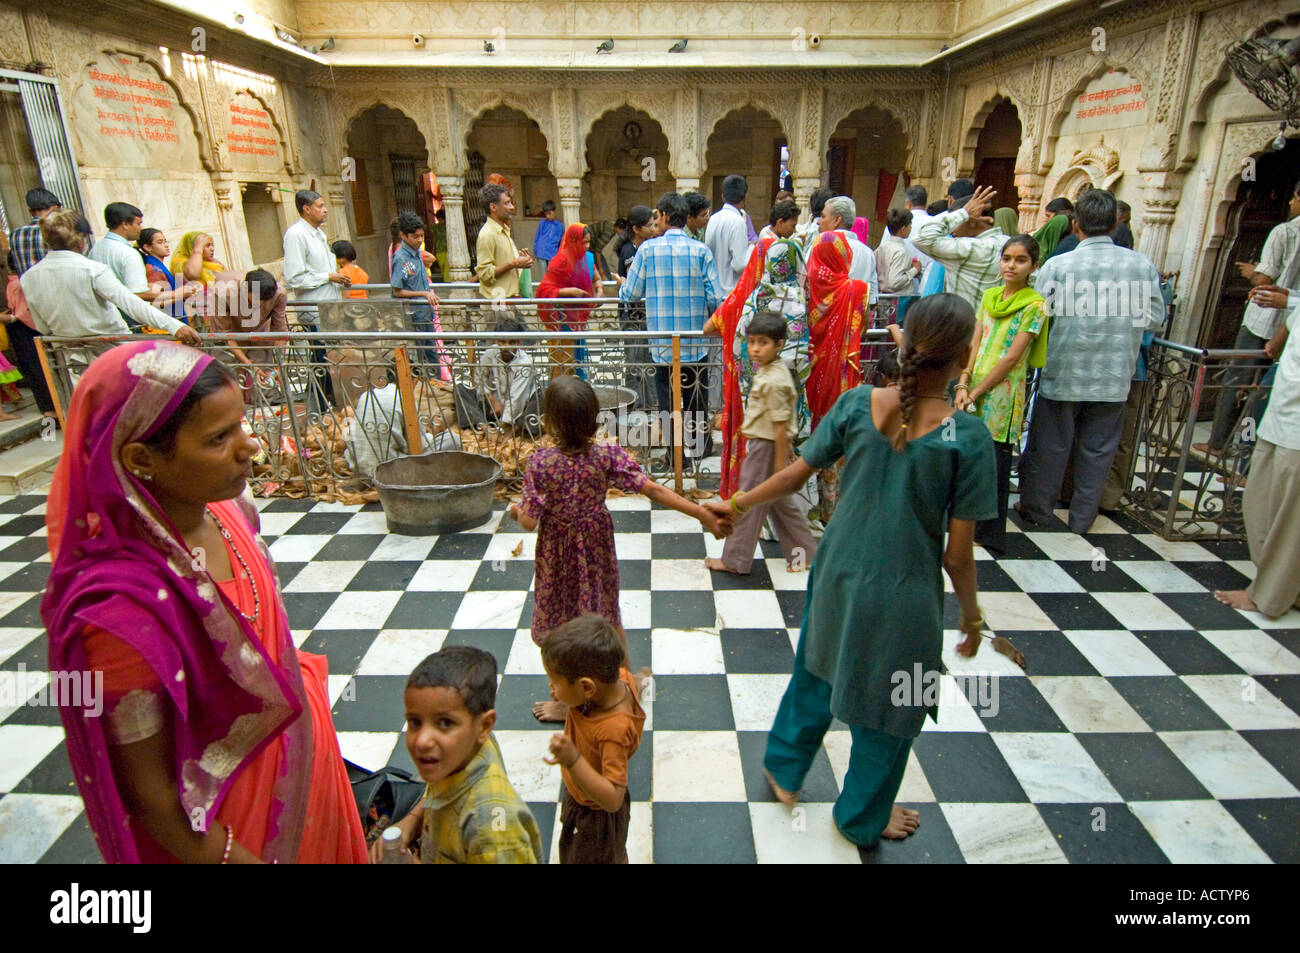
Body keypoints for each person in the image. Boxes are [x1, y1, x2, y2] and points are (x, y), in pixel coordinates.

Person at [41, 341, 367, 863]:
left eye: (241, 424)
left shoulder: (229, 510)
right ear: (140, 459)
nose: (251, 447)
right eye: (219, 438)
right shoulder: (121, 616)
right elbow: (156, 803)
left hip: (304, 771)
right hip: (233, 836)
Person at [702, 294, 995, 849]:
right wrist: (973, 618)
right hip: (903, 594)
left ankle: (785, 769)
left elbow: (793, 475)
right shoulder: (970, 439)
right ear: (964, 354)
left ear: (903, 342)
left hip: (836, 571)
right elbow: (958, 557)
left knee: (818, 667)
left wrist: (736, 504)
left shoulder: (859, 404)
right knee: (894, 707)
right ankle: (861, 815)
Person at [508, 376, 728, 721]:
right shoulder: (607, 455)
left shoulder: (540, 464)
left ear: (548, 422)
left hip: (557, 556)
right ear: (596, 421)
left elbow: (528, 523)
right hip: (596, 549)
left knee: (554, 625)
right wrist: (701, 513)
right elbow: (652, 489)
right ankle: (628, 684)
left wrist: (517, 510)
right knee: (607, 616)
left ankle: (565, 701)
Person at [1016, 189, 1164, 534]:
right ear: (1114, 223)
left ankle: (1038, 509)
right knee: (1098, 450)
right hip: (1113, 376)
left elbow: (1038, 315)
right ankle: (1083, 518)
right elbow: (1155, 317)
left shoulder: (1059, 266)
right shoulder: (1140, 265)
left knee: (1051, 445)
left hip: (1063, 370)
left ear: (1076, 224)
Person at [375, 646, 542, 863]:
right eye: (415, 722)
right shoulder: (459, 755)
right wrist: (412, 820)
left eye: (445, 723)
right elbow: (437, 788)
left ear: (484, 726)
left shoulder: (490, 830)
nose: (422, 740)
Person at [705, 199, 809, 496]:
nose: (756, 348)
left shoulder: (751, 300)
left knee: (761, 489)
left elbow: (723, 332)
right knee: (776, 493)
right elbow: (802, 359)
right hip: (783, 414)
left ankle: (749, 506)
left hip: (753, 410)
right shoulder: (798, 300)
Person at [706, 312, 818, 574]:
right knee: (781, 505)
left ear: (779, 345)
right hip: (767, 446)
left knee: (746, 502)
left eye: (763, 343)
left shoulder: (774, 380)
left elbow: (780, 425)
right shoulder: (773, 370)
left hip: (766, 450)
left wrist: (780, 467)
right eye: (752, 342)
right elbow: (782, 420)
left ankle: (734, 561)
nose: (755, 349)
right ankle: (805, 556)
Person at [955, 234, 1046, 556]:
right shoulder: (990, 296)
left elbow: (1011, 358)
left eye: (1020, 260)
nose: (1011, 265)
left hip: (1003, 395)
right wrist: (964, 381)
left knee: (993, 464)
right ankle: (963, 522)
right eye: (1007, 258)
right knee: (968, 458)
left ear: (1033, 266)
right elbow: (976, 343)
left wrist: (977, 391)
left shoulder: (1034, 306)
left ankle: (989, 533)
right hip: (974, 386)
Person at [1194, 180, 1300, 456]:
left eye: (1293, 198)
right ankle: (1250, 452)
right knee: (1267, 385)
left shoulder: (1285, 232)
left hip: (1265, 319)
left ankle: (1218, 443)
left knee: (1238, 379)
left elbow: (1264, 281)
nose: (1289, 203)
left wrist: (1253, 271)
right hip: (1292, 325)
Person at [1214, 283, 1300, 618]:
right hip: (1282, 414)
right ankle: (1284, 584)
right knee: (1261, 502)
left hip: (1295, 428)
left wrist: (1288, 300)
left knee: (1288, 518)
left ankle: (1269, 596)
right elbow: (1278, 345)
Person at [619, 191, 724, 460]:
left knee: (667, 401)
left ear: (664, 217)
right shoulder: (701, 251)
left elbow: (630, 294)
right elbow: (715, 297)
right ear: (685, 217)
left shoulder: (647, 250)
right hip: (695, 341)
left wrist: (625, 288)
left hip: (662, 344)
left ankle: (674, 455)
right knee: (695, 398)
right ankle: (700, 447)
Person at [541, 615, 647, 864]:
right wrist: (643, 679)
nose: (551, 687)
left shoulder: (612, 730)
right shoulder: (619, 679)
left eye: (555, 681)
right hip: (583, 800)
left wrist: (573, 759)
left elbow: (612, 798)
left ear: (587, 688)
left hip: (595, 818)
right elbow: (636, 685)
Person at [21, 212, 200, 345]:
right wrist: (174, 326)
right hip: (112, 350)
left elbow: (42, 326)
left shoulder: (28, 277)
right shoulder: (92, 270)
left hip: (69, 355)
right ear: (81, 240)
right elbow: (131, 303)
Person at [804, 231, 869, 522]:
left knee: (822, 434)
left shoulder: (808, 288)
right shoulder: (855, 289)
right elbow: (862, 329)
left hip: (816, 374)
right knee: (845, 438)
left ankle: (824, 505)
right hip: (844, 376)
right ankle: (843, 510)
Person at [348, 364, 458, 480]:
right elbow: (418, 446)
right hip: (389, 469)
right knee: (452, 439)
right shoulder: (405, 399)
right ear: (414, 381)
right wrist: (430, 434)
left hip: (359, 465)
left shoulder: (367, 395)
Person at [913, 185, 1006, 309]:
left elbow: (921, 238)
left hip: (964, 323)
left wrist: (964, 213)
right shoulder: (1010, 243)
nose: (953, 231)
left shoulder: (970, 248)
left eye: (957, 223)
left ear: (973, 220)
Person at [453, 312, 544, 437]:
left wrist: (504, 424)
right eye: (503, 342)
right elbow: (479, 379)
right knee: (460, 389)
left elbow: (516, 400)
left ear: (519, 342)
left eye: (511, 343)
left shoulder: (525, 363)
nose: (506, 347)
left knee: (542, 395)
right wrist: (491, 399)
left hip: (519, 411)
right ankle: (483, 427)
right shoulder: (490, 353)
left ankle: (514, 430)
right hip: (493, 407)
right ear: (497, 341)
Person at [390, 211, 450, 377]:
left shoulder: (417, 254)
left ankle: (437, 384)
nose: (419, 240)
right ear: (403, 235)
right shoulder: (401, 258)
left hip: (425, 313)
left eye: (422, 236)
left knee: (431, 352)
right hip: (414, 313)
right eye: (415, 237)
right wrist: (423, 293)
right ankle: (430, 387)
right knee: (423, 353)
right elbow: (397, 291)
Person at [536, 223, 595, 376]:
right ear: (574, 241)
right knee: (563, 365)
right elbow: (543, 290)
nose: (587, 246)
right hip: (561, 321)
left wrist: (600, 290)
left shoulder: (586, 259)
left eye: (589, 242)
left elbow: (596, 278)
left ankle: (579, 396)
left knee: (578, 362)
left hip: (578, 321)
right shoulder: (560, 261)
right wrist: (567, 292)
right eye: (584, 242)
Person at [205, 268, 288, 373]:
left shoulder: (279, 294)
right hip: (228, 342)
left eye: (265, 301)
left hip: (259, 337)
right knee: (229, 382)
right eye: (256, 299)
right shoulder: (223, 293)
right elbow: (224, 335)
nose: (260, 304)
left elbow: (280, 332)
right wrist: (249, 364)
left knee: (265, 383)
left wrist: (278, 365)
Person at [617, 206, 656, 407]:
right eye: (649, 226)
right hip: (632, 316)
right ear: (636, 229)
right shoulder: (629, 251)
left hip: (644, 314)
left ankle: (650, 404)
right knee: (633, 362)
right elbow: (635, 285)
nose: (653, 229)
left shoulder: (648, 247)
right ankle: (634, 405)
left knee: (648, 361)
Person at [476, 183, 533, 301]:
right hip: (497, 303)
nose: (512, 207)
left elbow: (506, 262)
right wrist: (514, 263)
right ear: (493, 207)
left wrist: (522, 261)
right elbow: (485, 274)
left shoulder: (503, 230)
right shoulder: (487, 234)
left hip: (508, 300)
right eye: (507, 203)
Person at [819, 196, 879, 310]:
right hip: (854, 321)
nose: (819, 221)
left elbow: (806, 284)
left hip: (824, 318)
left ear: (837, 220)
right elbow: (871, 299)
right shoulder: (867, 253)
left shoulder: (819, 246)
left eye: (823, 216)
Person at [137, 228, 200, 323]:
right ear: (147, 247)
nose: (166, 245)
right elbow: (156, 303)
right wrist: (180, 294)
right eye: (160, 242)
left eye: (165, 241)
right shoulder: (154, 270)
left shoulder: (158, 265)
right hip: (169, 322)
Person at [705, 174, 752, 293]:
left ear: (723, 197)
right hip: (729, 292)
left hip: (713, 290)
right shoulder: (738, 221)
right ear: (745, 196)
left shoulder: (713, 218)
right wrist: (752, 248)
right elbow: (740, 264)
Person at [877, 208, 922, 294]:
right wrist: (915, 270)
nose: (911, 228)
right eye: (910, 225)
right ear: (903, 229)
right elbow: (894, 282)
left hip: (881, 296)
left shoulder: (881, 249)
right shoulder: (901, 251)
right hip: (896, 300)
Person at [532, 200, 564, 275]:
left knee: (552, 275)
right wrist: (535, 251)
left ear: (554, 211)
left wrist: (560, 255)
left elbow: (561, 242)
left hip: (553, 253)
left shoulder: (560, 226)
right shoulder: (542, 222)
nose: (548, 216)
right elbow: (537, 236)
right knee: (544, 276)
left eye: (550, 213)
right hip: (541, 252)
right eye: (546, 214)